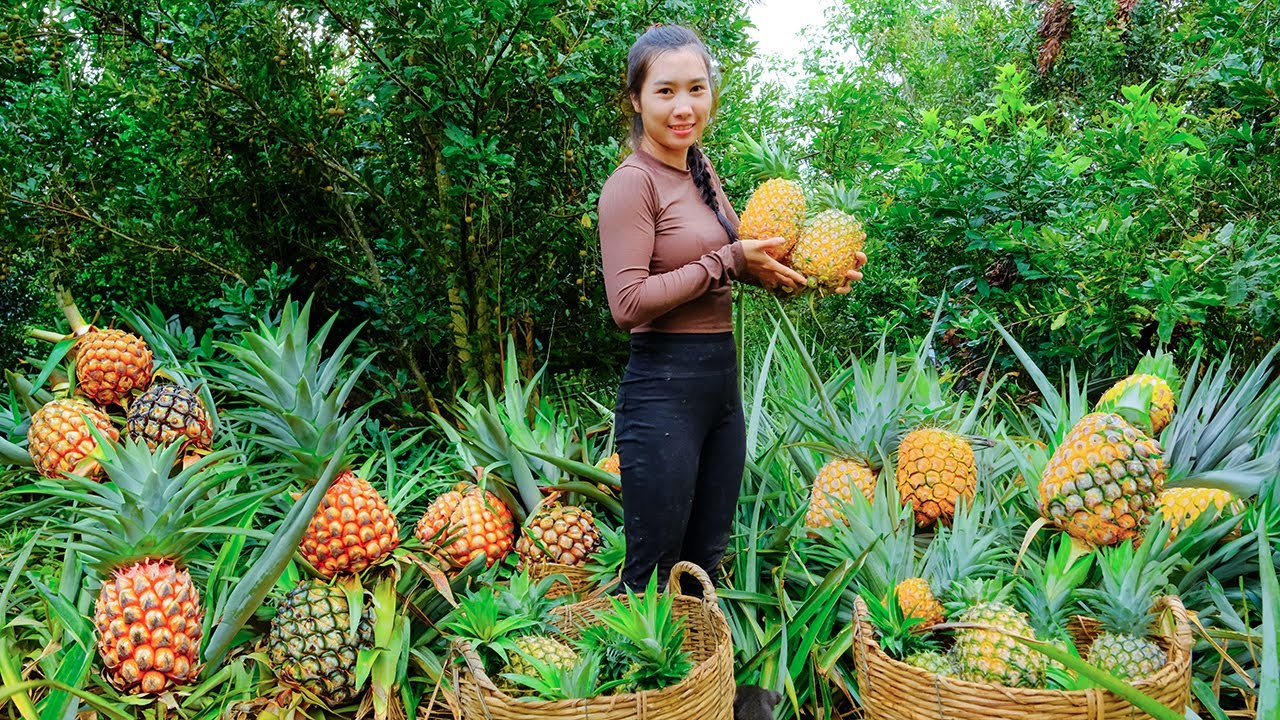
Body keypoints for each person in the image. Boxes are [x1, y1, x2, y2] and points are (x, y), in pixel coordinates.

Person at [597, 24, 866, 594]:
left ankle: (705, 659)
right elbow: (627, 304)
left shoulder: (700, 170)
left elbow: (738, 266)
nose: (684, 107)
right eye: (665, 91)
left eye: (696, 89)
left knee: (703, 568)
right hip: (662, 393)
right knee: (651, 578)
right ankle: (628, 659)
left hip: (720, 392)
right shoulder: (632, 184)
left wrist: (809, 277)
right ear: (636, 100)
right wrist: (728, 259)